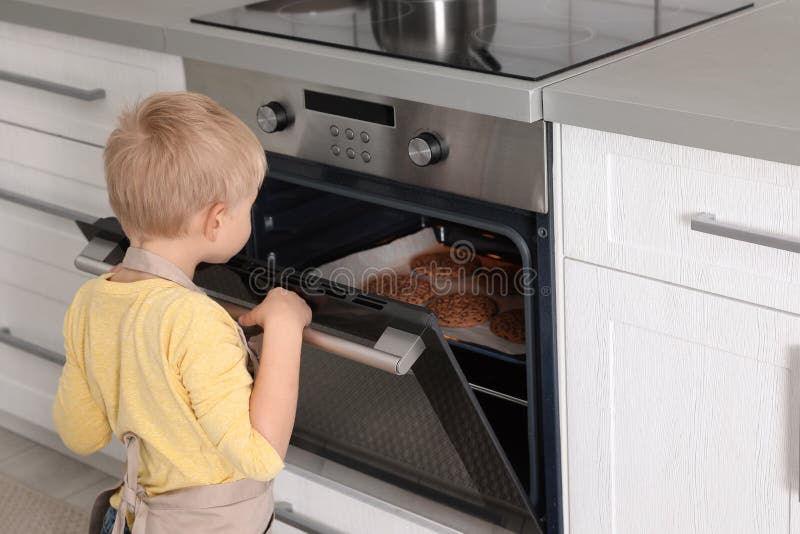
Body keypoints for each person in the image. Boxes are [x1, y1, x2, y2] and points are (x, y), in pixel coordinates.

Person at [52, 92, 311, 533]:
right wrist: (286, 326)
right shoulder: (195, 321)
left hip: (137, 517)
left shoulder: (92, 300)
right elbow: (261, 455)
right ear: (216, 220)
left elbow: (81, 435)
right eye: (248, 207)